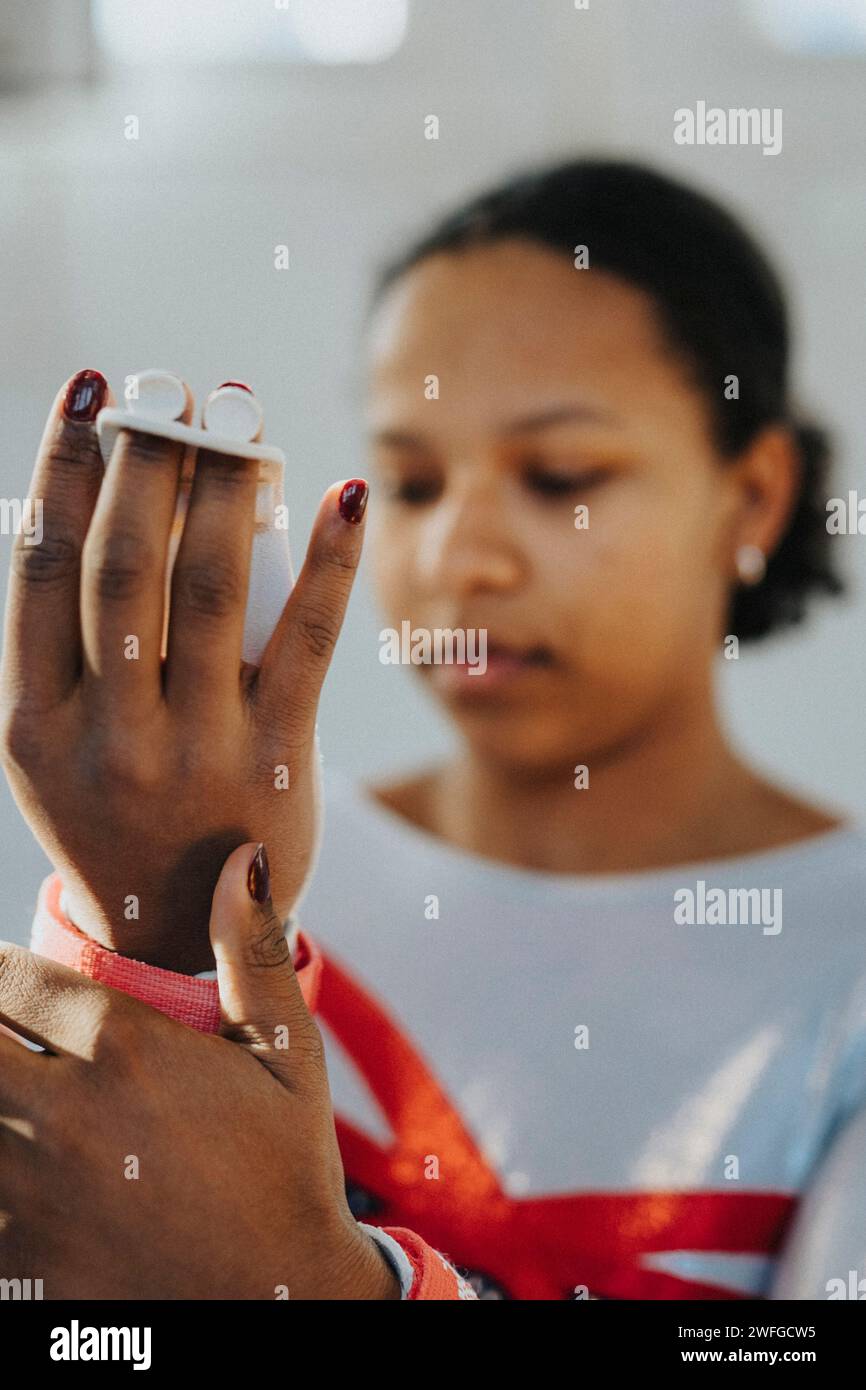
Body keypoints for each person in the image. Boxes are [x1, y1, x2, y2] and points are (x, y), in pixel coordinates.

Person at [2, 158, 865, 1299]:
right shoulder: (229, 870)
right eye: (409, 483)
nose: (459, 560)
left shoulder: (836, 953)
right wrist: (150, 936)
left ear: (751, 495)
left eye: (559, 474)